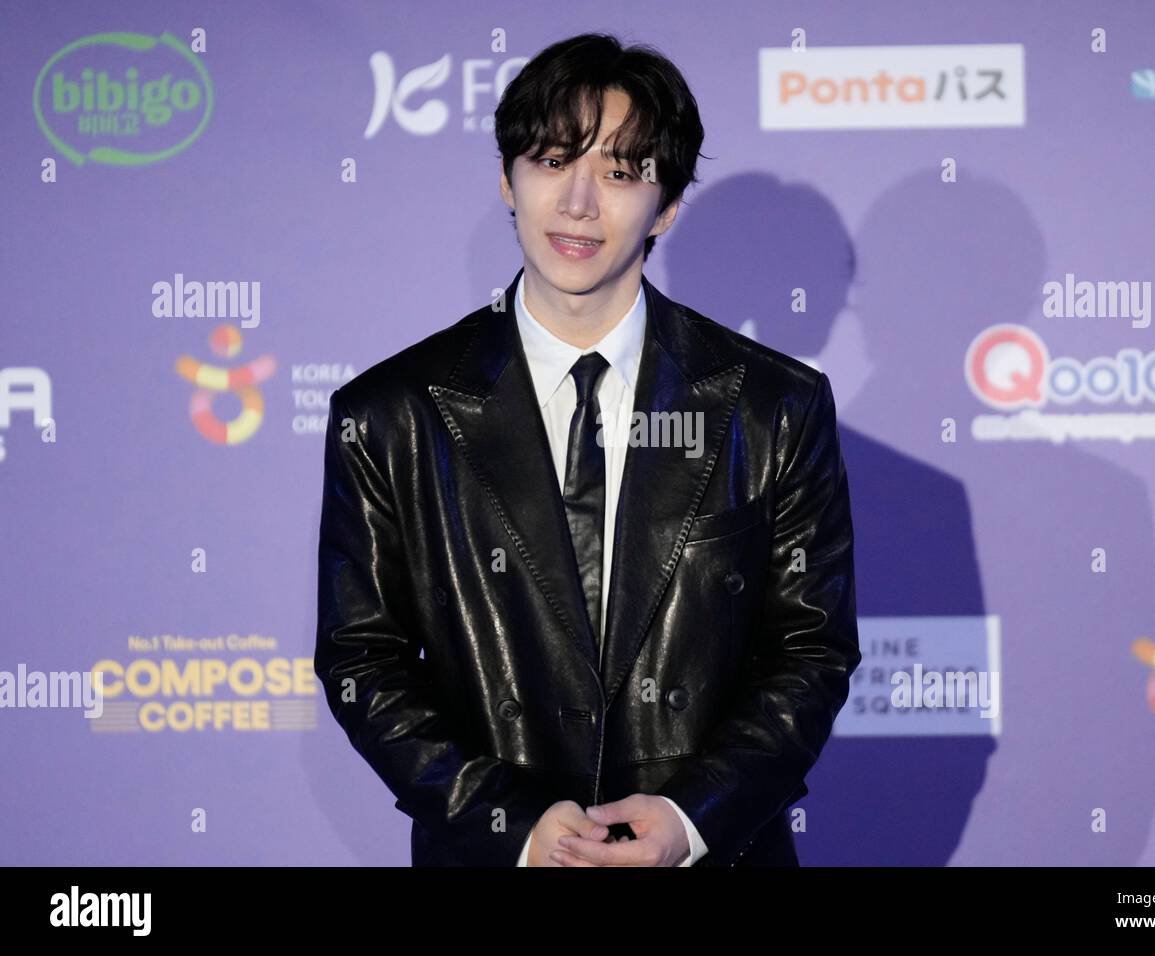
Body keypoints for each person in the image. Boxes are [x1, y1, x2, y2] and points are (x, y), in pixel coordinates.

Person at [314, 32, 859, 867]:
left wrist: (694, 817)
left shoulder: (775, 407)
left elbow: (810, 650)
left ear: (666, 206)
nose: (577, 203)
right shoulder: (392, 415)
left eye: (620, 172)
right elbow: (362, 658)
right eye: (551, 159)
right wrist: (513, 823)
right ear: (507, 179)